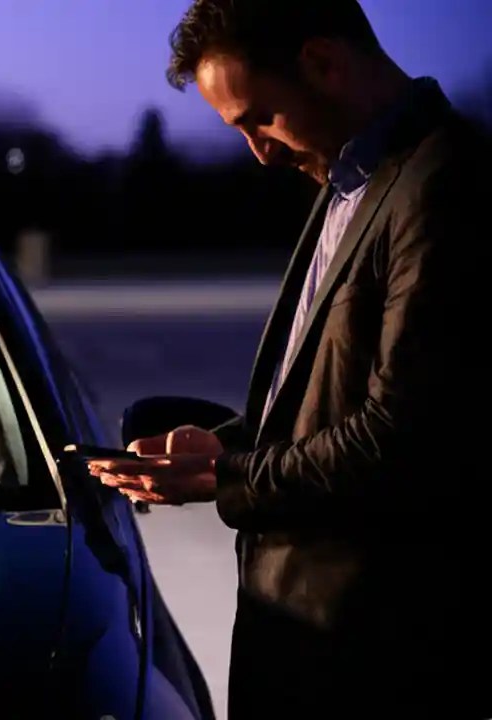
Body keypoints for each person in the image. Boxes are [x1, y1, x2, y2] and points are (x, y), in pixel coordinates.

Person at [86, 1, 488, 717]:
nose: (258, 152)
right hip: (306, 643)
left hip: (373, 657)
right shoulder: (351, 181)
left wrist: (226, 474)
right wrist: (234, 441)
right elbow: (339, 395)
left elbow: (401, 441)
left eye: (259, 118)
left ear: (324, 64)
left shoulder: (443, 182)